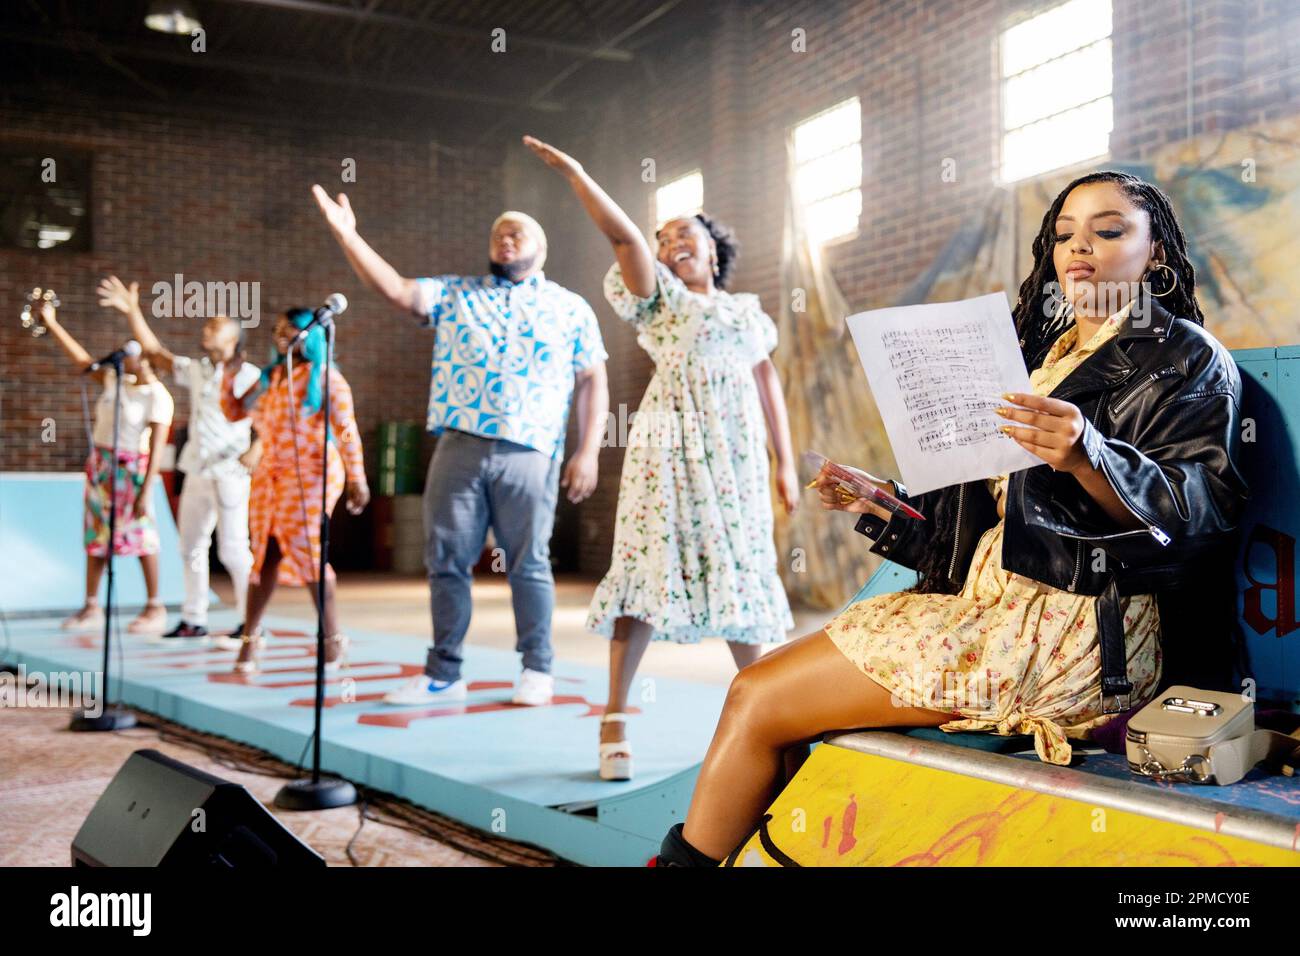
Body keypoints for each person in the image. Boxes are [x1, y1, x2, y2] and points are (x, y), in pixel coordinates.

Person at [650, 170, 1249, 866]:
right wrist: (887, 500)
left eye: (1108, 230)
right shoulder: (1037, 355)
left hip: (1077, 628)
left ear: (1156, 254)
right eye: (1064, 234)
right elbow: (986, 512)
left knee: (756, 696)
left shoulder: (1186, 357)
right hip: (983, 600)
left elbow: (1202, 517)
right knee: (768, 702)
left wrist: (1091, 455)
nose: (1079, 246)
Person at [524, 136, 798, 781]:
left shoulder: (747, 314)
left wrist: (784, 462)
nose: (673, 242)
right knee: (649, 569)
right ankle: (614, 717)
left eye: (687, 233)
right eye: (664, 236)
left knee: (742, 575)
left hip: (735, 459)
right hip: (669, 449)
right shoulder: (660, 300)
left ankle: (773, 719)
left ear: (712, 247)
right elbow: (625, 242)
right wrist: (579, 175)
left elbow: (768, 387)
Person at [312, 183, 609, 707]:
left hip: (529, 450)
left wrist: (587, 451)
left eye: (516, 232)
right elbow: (398, 290)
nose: (505, 239)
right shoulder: (456, 294)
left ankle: (537, 669)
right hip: (459, 446)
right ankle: (443, 672)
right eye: (497, 234)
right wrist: (349, 237)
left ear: (542, 247)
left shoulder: (570, 308)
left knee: (529, 562)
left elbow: (592, 379)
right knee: (446, 558)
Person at [99, 276, 260, 646]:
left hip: (232, 470)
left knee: (234, 549)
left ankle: (251, 622)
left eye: (216, 326)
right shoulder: (200, 369)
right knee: (190, 546)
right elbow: (156, 354)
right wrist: (133, 310)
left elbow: (272, 419)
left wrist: (258, 447)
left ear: (234, 338)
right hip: (198, 469)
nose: (207, 329)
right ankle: (194, 618)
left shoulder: (250, 376)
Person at [221, 308, 369, 673]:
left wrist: (357, 477)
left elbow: (346, 429)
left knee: (307, 551)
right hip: (270, 475)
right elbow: (234, 412)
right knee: (265, 554)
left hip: (311, 474)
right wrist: (229, 372)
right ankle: (250, 641)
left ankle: (332, 639)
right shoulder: (272, 378)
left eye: (291, 328)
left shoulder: (327, 379)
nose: (281, 334)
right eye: (278, 328)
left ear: (310, 335)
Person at [40, 295, 176, 635]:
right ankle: (91, 605)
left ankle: (154, 605)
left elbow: (157, 448)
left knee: (142, 536)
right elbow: (83, 361)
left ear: (145, 358)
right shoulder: (116, 380)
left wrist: (146, 489)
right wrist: (52, 322)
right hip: (101, 465)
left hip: (132, 468)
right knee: (97, 536)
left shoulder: (158, 396)